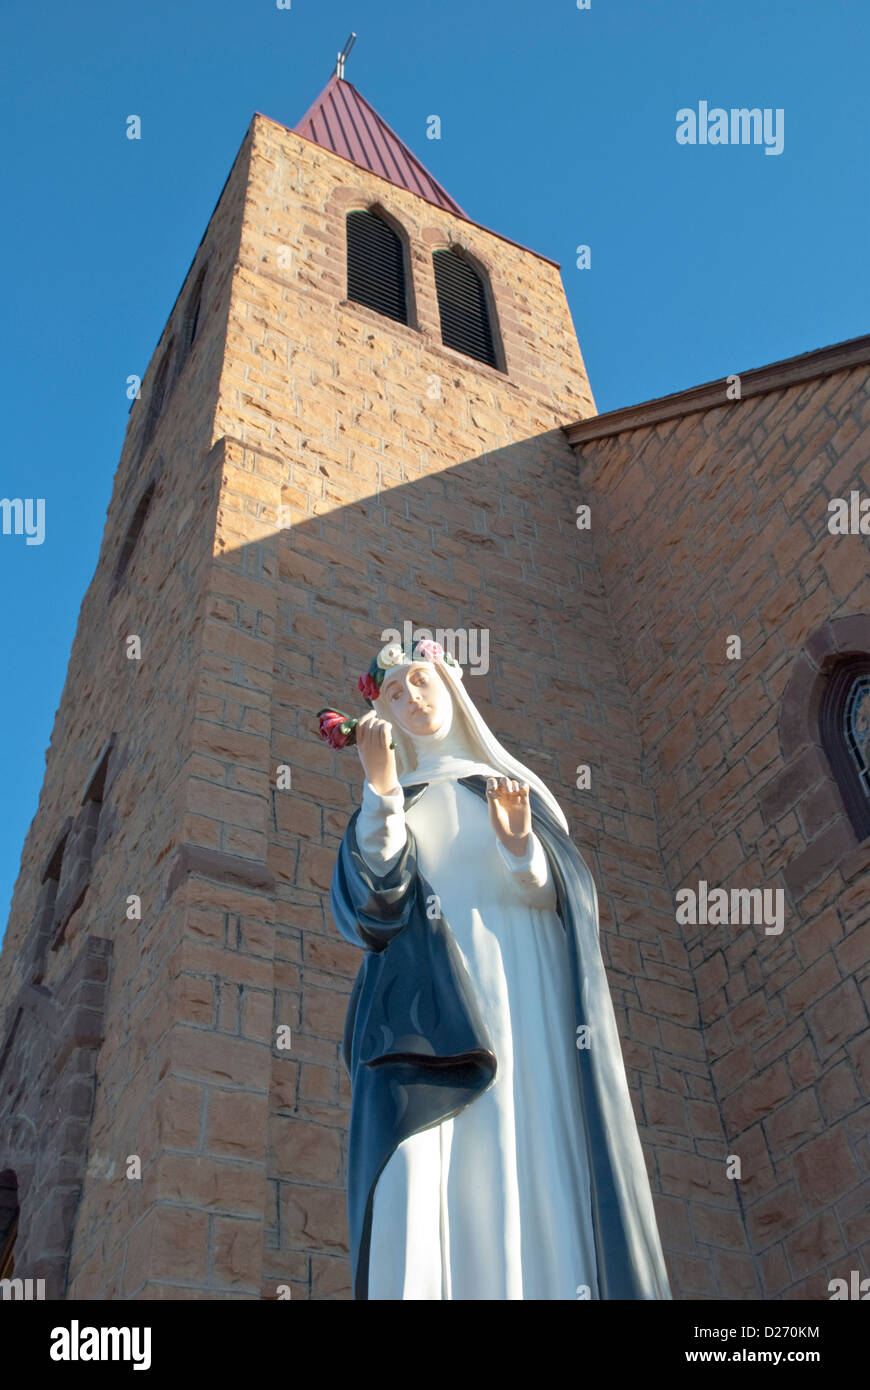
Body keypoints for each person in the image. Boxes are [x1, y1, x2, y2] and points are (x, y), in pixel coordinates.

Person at [328, 636, 672, 1301]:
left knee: (531, 1136)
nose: (410, 698)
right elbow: (375, 899)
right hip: (427, 1011)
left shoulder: (515, 784)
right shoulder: (393, 795)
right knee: (417, 1169)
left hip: (522, 983)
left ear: (451, 689)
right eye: (394, 694)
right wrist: (379, 792)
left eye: (421, 682)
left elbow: (558, 895)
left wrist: (521, 848)